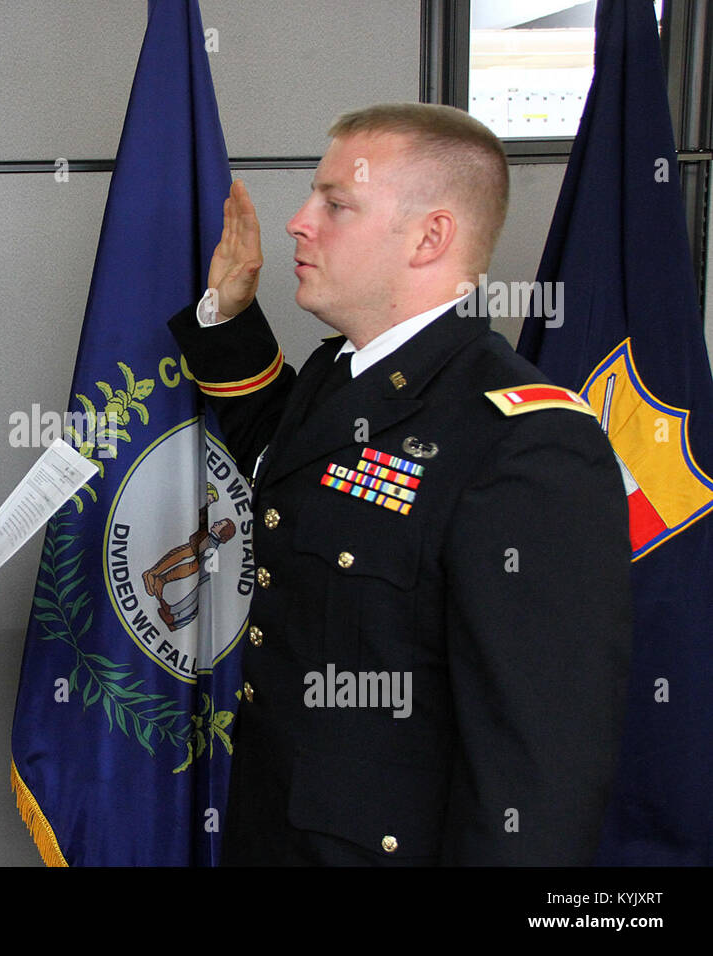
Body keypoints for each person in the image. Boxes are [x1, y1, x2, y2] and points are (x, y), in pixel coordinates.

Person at [168, 103, 632, 865]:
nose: (297, 222)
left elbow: (539, 771)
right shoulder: (344, 372)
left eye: (335, 203)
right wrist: (227, 315)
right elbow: (283, 460)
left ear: (431, 237)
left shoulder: (527, 443)